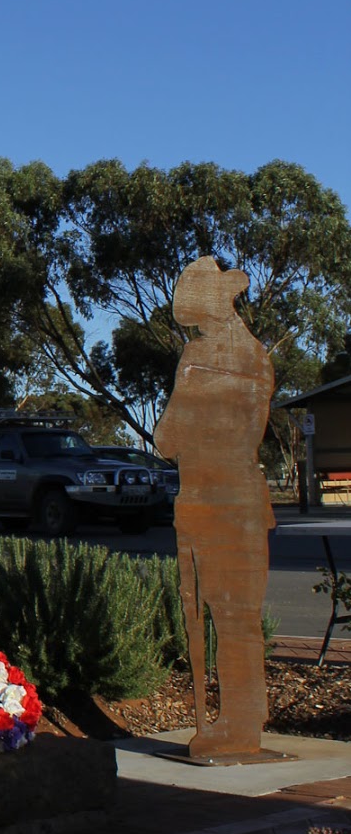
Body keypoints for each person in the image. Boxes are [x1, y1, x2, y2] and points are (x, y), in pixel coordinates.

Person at [155, 256, 274, 759]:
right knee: (232, 618)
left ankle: (241, 725)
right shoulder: (255, 354)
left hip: (221, 501)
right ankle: (241, 719)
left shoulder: (201, 360)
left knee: (231, 618)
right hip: (226, 500)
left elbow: (167, 438)